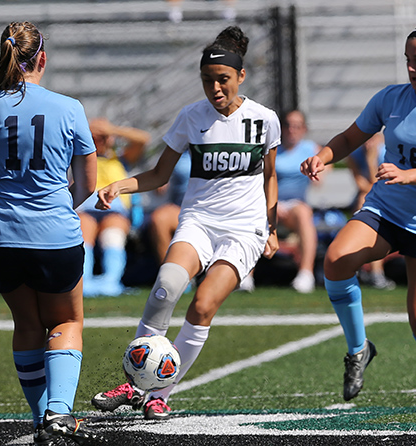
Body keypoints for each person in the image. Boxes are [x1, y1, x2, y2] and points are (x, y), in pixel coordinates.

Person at [89, 26, 280, 420]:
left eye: (223, 80)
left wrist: (272, 228)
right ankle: (134, 382)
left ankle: (161, 392)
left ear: (241, 76)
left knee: (203, 306)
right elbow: (159, 173)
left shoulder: (264, 119)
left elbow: (269, 177)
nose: (216, 89)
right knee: (166, 286)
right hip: (199, 220)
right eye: (208, 81)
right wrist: (120, 185)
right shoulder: (190, 117)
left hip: (244, 229)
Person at [300, 19, 416, 412]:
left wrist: (406, 174)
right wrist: (324, 156)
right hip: (385, 210)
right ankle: (358, 349)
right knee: (335, 260)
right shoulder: (391, 98)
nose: (412, 69)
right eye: (407, 61)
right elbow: (351, 137)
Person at [0, 21, 101, 445]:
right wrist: (51, 211)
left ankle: (41, 418)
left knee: (26, 323)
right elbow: (88, 184)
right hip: (54, 233)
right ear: (42, 58)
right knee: (66, 320)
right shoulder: (69, 107)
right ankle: (58, 413)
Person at [77, 117, 150, 297]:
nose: (99, 140)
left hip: (114, 210)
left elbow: (143, 139)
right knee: (83, 229)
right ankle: (83, 282)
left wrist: (112, 129)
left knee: (113, 233)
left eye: (102, 137)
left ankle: (111, 281)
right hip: (85, 210)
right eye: (95, 137)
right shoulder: (77, 157)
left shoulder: (121, 158)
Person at [272, 109, 320, 293]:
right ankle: (246, 277)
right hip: (271, 205)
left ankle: (306, 273)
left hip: (295, 208)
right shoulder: (273, 149)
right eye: (288, 126)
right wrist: (274, 204)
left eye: (297, 126)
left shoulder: (311, 149)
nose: (292, 130)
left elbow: (320, 182)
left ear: (304, 129)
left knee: (302, 212)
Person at [345, 133, 396, 290]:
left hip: (389, 198)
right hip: (368, 200)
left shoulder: (388, 154)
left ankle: (369, 271)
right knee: (364, 200)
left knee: (367, 203)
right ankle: (374, 273)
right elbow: (363, 185)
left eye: (372, 139)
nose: (368, 143)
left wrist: (371, 160)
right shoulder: (353, 156)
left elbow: (379, 187)